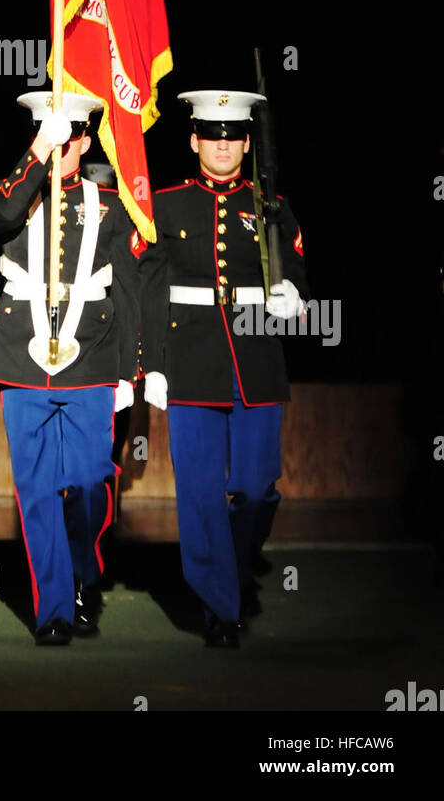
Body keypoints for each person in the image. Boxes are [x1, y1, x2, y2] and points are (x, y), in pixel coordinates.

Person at [139, 89, 308, 647]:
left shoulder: (271, 206)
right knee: (200, 490)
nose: (223, 145)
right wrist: (152, 365)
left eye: (233, 135)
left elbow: (298, 275)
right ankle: (219, 603)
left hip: (255, 360)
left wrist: (293, 296)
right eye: (213, 135)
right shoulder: (167, 204)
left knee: (258, 489)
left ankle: (231, 571)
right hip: (190, 359)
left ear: (245, 142)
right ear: (194, 140)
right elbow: (150, 289)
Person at [0, 90, 142, 645]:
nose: (64, 144)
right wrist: (39, 151)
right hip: (23, 355)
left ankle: (83, 568)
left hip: (91, 356)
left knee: (90, 479)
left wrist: (129, 371)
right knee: (37, 488)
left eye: (72, 134)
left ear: (88, 137)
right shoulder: (14, 192)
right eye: (53, 133)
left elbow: (127, 289)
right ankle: (53, 606)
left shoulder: (109, 203)